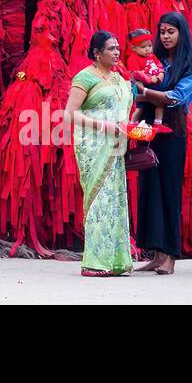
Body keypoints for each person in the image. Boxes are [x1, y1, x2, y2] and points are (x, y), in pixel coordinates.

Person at [134, 11, 192, 275]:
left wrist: (148, 92)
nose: (165, 36)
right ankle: (156, 254)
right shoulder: (156, 60)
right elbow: (138, 91)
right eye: (162, 31)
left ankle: (171, 256)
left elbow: (178, 97)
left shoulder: (191, 64)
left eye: (171, 31)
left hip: (172, 131)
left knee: (169, 190)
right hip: (148, 128)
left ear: (181, 33)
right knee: (148, 190)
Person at [64, 30, 132, 277]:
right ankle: (93, 262)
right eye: (111, 48)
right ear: (97, 52)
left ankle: (115, 261)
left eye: (118, 48)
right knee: (100, 201)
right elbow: (70, 113)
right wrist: (104, 126)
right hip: (94, 147)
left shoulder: (118, 78)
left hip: (115, 146)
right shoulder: (85, 77)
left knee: (115, 200)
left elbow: (122, 110)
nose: (116, 53)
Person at [127, 29, 166, 127]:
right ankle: (132, 123)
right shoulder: (133, 58)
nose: (148, 49)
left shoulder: (152, 56)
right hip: (142, 87)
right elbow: (136, 73)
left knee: (160, 104)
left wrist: (160, 75)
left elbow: (159, 65)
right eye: (143, 47)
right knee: (140, 107)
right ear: (134, 48)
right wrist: (149, 79)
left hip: (155, 85)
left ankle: (158, 123)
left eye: (149, 46)